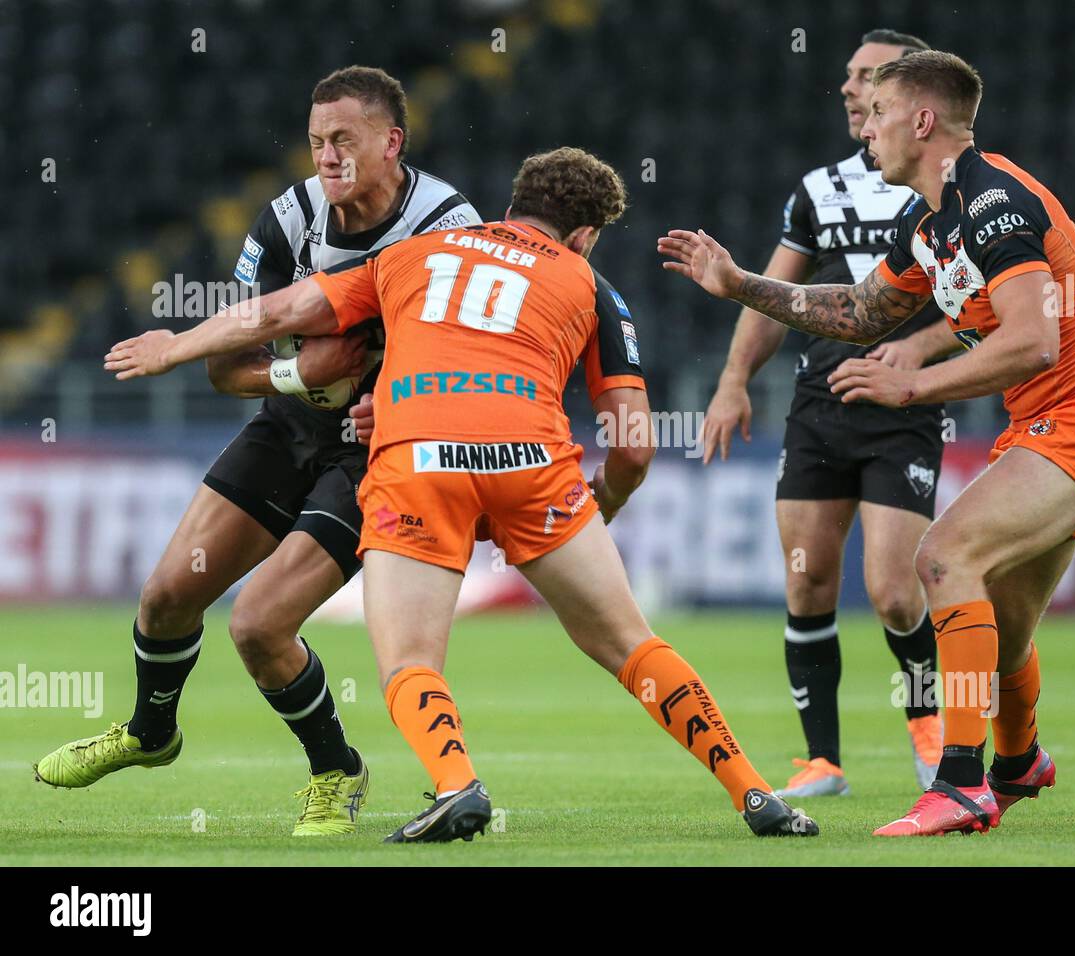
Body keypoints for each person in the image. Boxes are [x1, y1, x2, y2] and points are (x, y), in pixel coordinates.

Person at [103, 147, 819, 843]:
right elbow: (633, 442)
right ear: (585, 236)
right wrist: (604, 499)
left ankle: (457, 786)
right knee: (630, 644)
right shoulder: (592, 287)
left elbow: (273, 315)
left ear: (508, 209)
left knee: (411, 659)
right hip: (531, 462)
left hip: (418, 459)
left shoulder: (411, 255)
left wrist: (175, 346)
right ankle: (754, 791)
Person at [659, 50, 1075, 836]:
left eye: (882, 113)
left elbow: (1034, 342)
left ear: (923, 120)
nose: (869, 128)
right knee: (1002, 628)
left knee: (939, 559)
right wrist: (741, 284)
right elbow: (859, 313)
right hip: (1049, 424)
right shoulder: (930, 222)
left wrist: (914, 385)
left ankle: (960, 785)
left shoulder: (995, 201)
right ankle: (1019, 760)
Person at [35, 66, 480, 837]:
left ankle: (336, 770)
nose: (327, 159)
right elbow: (225, 366)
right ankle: (149, 733)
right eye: (316, 143)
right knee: (167, 597)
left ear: (392, 142)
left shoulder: (447, 227)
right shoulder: (290, 217)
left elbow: (478, 361)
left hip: (377, 454)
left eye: (344, 141)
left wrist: (406, 403)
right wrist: (300, 372)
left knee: (259, 625)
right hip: (292, 423)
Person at [700, 28, 949, 797]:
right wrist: (735, 377)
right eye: (846, 77)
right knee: (806, 582)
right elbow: (774, 294)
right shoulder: (820, 190)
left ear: (912, 101)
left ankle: (930, 730)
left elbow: (982, 298)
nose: (849, 89)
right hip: (820, 404)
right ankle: (823, 762)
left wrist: (924, 350)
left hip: (902, 406)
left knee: (895, 591)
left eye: (868, 77)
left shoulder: (942, 186)